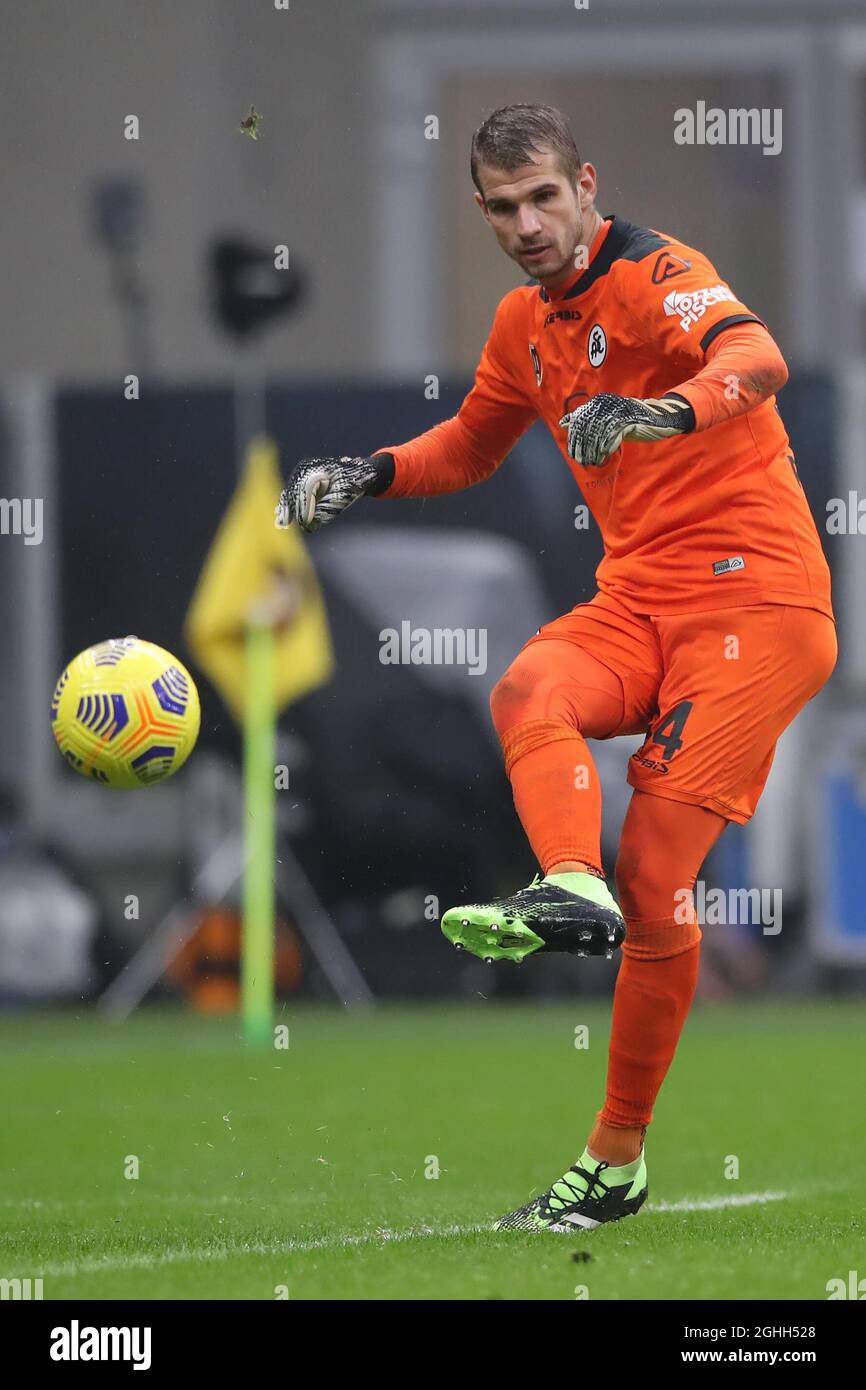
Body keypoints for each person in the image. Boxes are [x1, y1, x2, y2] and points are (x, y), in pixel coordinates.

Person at [276, 104, 837, 1234]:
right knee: (529, 686)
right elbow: (473, 444)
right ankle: (565, 881)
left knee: (660, 873)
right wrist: (371, 471)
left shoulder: (659, 271)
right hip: (639, 597)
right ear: (481, 211)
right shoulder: (520, 323)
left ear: (586, 185)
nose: (526, 223)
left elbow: (757, 357)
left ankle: (613, 1159)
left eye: (542, 197)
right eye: (500, 207)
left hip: (758, 604)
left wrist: (659, 410)